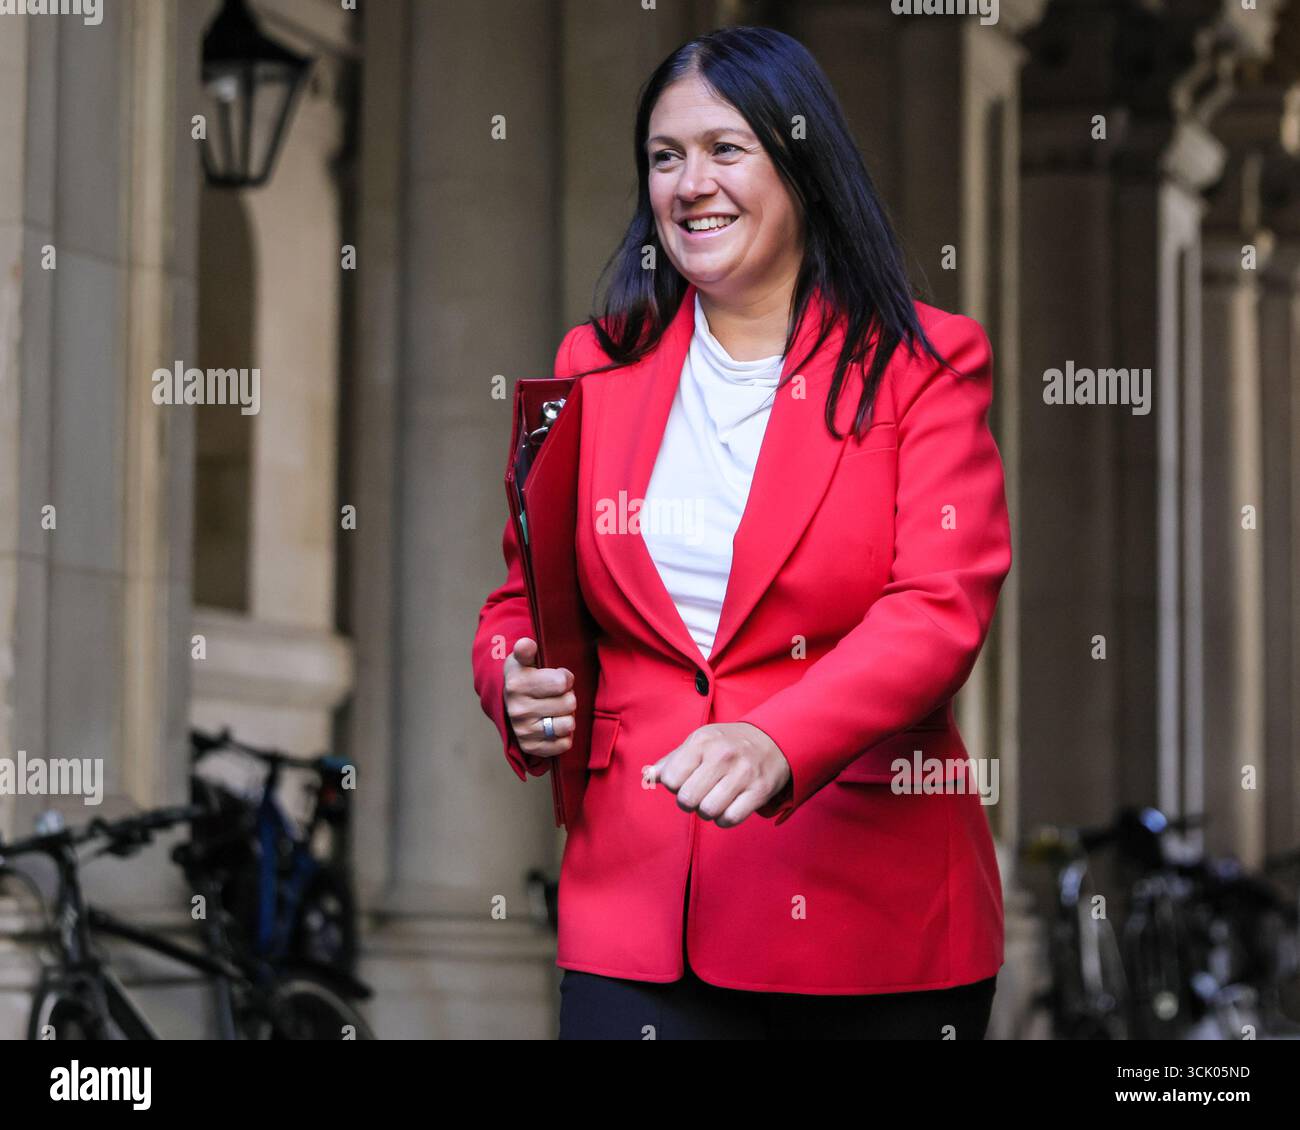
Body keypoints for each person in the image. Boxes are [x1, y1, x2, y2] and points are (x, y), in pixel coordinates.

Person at [471, 25, 1011, 1040]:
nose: (690, 183)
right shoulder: (589, 367)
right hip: (634, 915)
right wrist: (512, 676)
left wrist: (780, 734)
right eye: (665, 156)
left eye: (726, 149)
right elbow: (519, 600)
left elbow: (940, 608)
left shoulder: (924, 362)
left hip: (865, 917)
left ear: (800, 164)